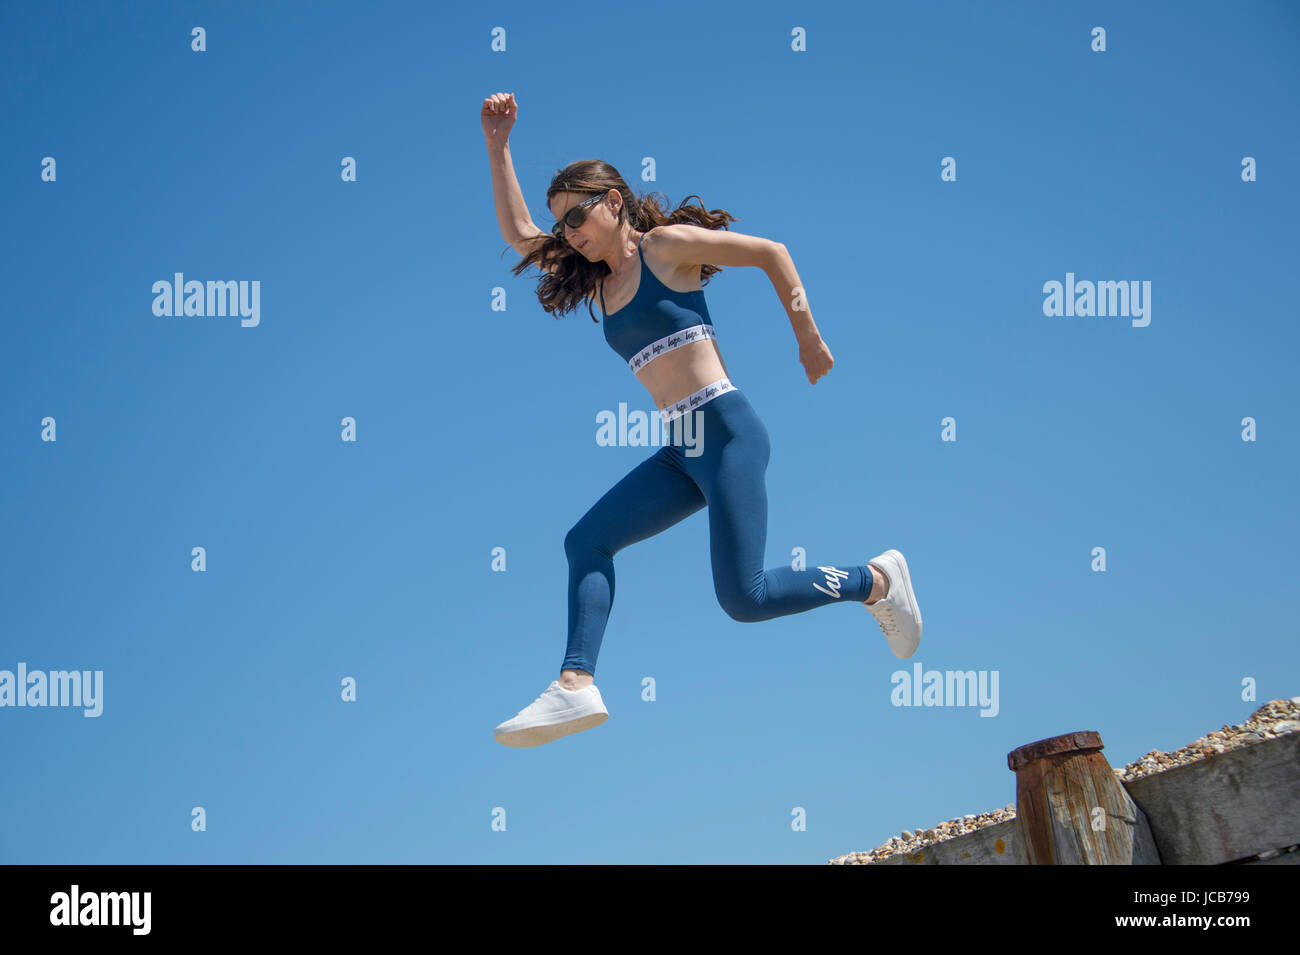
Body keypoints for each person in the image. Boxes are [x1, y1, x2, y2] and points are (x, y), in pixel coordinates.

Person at [482, 92, 922, 747]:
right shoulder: (598, 283)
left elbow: (772, 252)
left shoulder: (663, 249)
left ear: (612, 200)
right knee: (585, 540)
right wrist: (498, 144)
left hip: (728, 432)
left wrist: (805, 332)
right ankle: (576, 683)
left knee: (745, 598)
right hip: (682, 449)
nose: (569, 231)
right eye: (563, 223)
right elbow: (519, 235)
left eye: (577, 214)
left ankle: (875, 579)